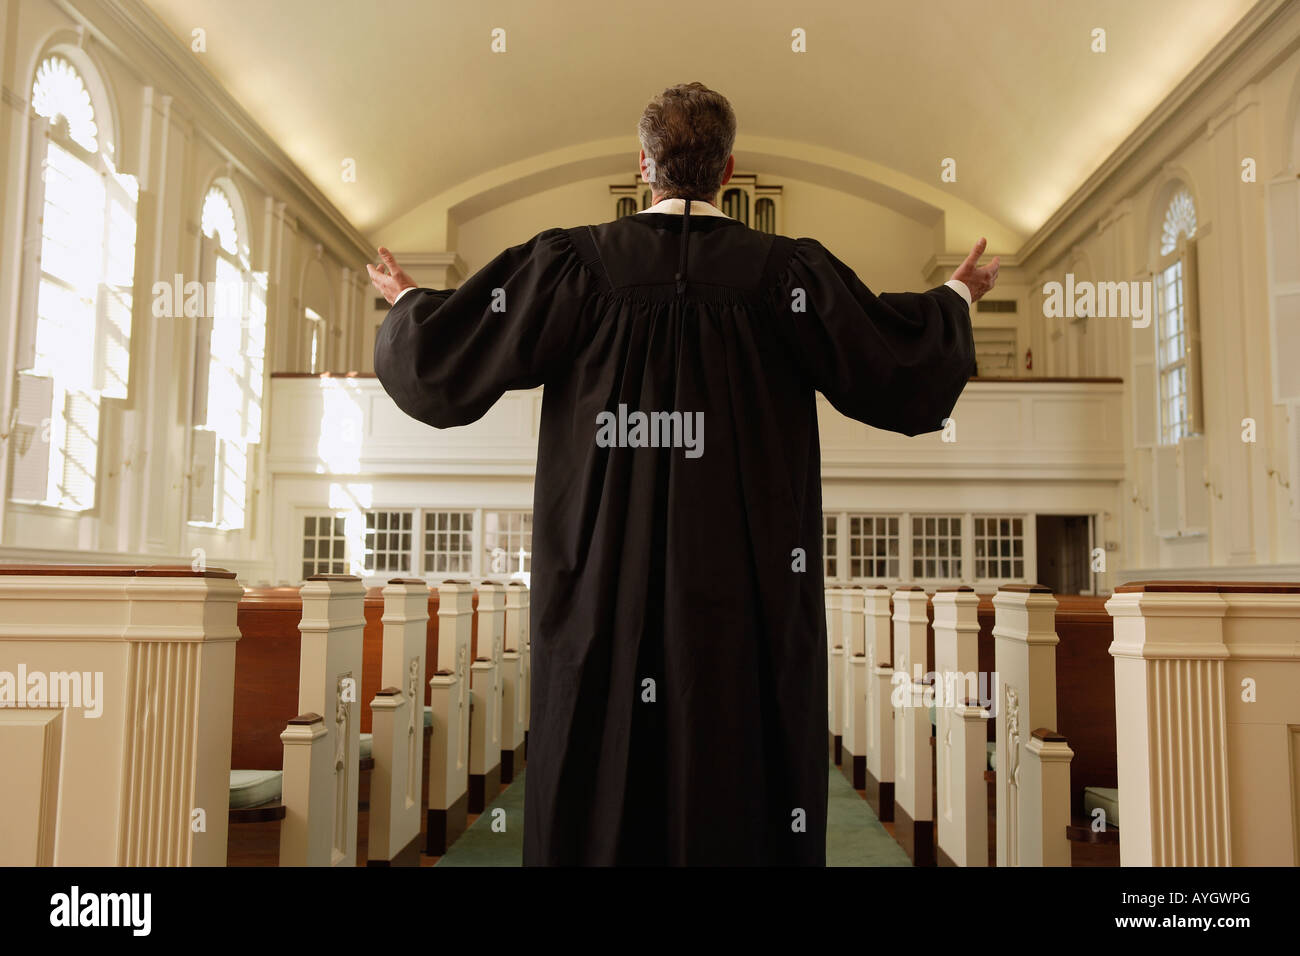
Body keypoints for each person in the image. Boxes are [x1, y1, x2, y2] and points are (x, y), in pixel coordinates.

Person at [368, 81, 998, 865]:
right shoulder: (786, 275)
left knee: (599, 739)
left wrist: (407, 306)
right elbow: (890, 358)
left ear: (643, 166)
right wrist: (956, 297)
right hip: (742, 586)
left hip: (603, 581)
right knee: (735, 736)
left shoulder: (573, 265)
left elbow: (450, 353)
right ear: (728, 169)